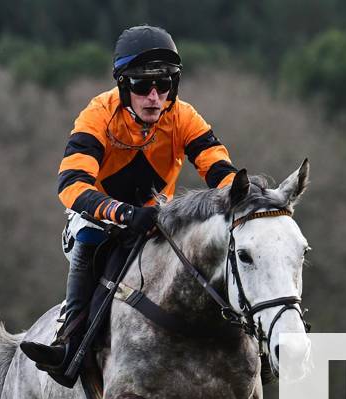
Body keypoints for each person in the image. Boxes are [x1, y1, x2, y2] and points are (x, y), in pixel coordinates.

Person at [20, 25, 239, 376]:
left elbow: (219, 169)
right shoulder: (98, 114)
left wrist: (243, 200)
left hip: (156, 219)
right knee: (91, 235)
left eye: (163, 84)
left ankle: (251, 343)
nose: (154, 96)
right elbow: (70, 184)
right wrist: (121, 213)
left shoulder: (183, 115)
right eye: (142, 85)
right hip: (99, 216)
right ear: (124, 86)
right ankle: (68, 341)